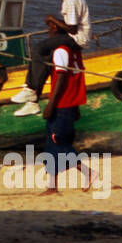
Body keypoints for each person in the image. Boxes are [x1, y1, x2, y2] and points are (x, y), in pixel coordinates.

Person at [12, 0, 91, 117]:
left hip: (78, 39)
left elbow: (73, 29)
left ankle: (30, 89)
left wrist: (52, 19)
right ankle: (33, 100)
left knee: (38, 48)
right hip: (74, 36)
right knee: (44, 58)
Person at [40, 17, 94, 194]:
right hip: (71, 103)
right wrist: (77, 105)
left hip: (62, 103)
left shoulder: (61, 51)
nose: (48, 31)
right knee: (51, 144)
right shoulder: (75, 51)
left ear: (57, 29)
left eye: (50, 27)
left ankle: (88, 172)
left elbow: (62, 79)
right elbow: (77, 78)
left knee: (59, 140)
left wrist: (51, 104)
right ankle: (52, 186)